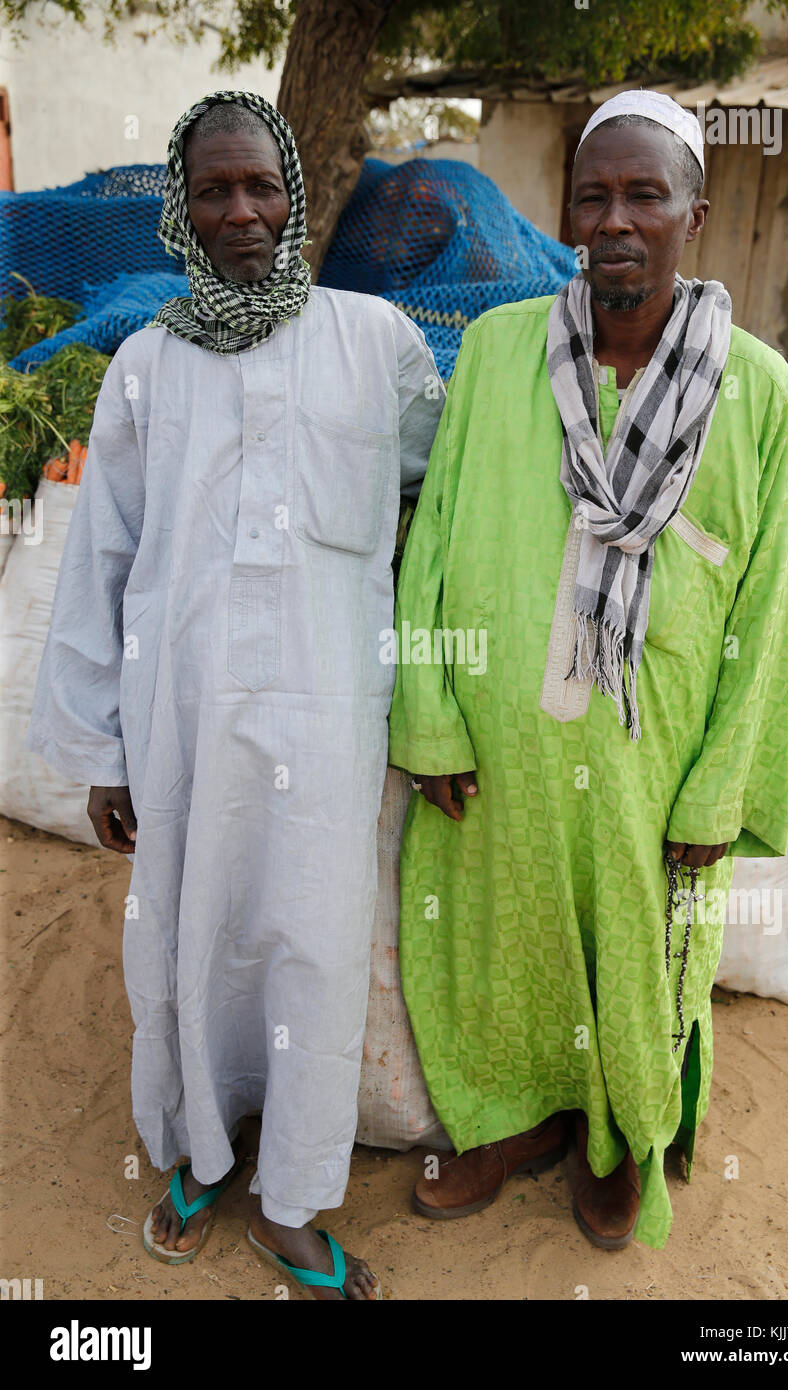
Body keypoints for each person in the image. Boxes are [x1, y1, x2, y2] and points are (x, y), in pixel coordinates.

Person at [26, 89, 444, 1299]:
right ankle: (197, 1154)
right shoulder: (145, 370)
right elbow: (102, 559)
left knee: (310, 946)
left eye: (260, 184)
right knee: (186, 934)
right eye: (213, 189)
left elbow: (441, 497)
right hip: (181, 720)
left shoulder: (379, 344)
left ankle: (291, 1200)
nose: (241, 211)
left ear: (297, 192)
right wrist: (102, 747)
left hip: (325, 718)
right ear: (182, 207)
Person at [388, 90, 788, 1251]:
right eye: (592, 195)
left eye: (643, 196)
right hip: (497, 743)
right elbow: (435, 539)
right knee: (490, 939)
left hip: (651, 751)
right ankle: (506, 1121)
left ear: (694, 215)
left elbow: (766, 603)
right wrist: (427, 710)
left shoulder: (756, 386)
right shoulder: (499, 350)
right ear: (567, 212)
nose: (614, 220)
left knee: (636, 955)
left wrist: (720, 784)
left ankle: (615, 1136)